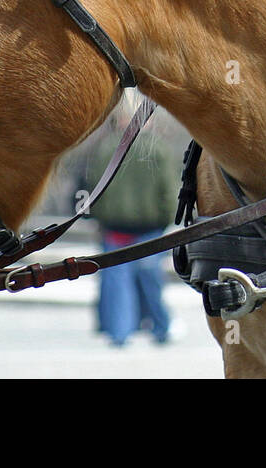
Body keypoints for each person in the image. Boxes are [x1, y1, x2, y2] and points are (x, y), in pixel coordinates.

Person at [79, 100, 180, 347]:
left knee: (117, 282)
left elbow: (94, 188)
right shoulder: (159, 149)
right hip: (149, 227)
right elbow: (169, 191)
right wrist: (167, 220)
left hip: (115, 228)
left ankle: (119, 333)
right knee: (151, 280)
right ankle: (160, 328)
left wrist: (99, 219)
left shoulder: (106, 148)